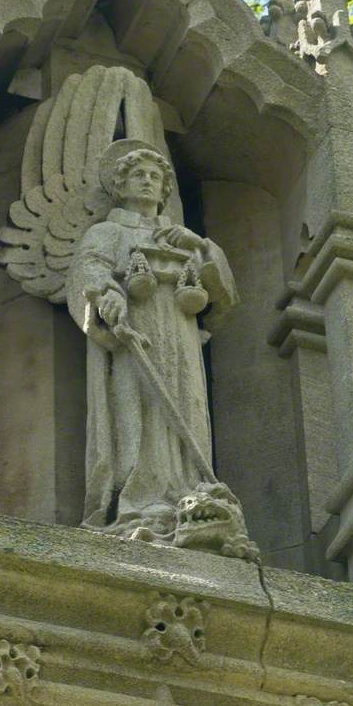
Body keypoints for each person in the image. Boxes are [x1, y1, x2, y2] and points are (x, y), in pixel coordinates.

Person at [66, 140, 237, 541]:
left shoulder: (182, 238)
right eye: (137, 175)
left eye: (155, 177)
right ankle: (140, 501)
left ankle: (187, 492)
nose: (147, 182)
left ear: (164, 190)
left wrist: (199, 247)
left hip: (180, 338)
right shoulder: (107, 231)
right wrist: (104, 295)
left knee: (187, 405)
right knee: (137, 412)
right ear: (120, 185)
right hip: (134, 337)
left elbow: (224, 296)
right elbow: (88, 270)